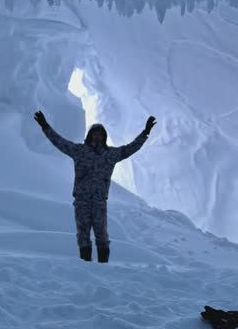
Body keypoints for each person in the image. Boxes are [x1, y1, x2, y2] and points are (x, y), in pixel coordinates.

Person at [34, 110, 156, 262]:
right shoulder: (79, 151)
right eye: (94, 133)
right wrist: (45, 126)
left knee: (102, 235)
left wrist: (145, 133)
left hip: (99, 201)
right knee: (83, 235)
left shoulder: (111, 154)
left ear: (104, 137)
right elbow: (60, 142)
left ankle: (103, 267)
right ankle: (86, 267)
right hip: (82, 201)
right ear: (90, 135)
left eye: (100, 134)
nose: (97, 136)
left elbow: (130, 148)